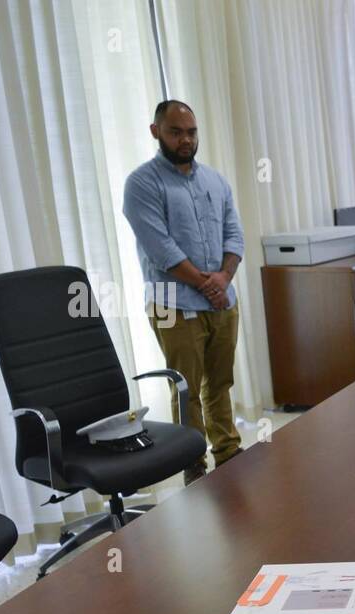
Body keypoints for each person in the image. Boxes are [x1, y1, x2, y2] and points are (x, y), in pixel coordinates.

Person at [122, 99, 244, 485]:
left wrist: (223, 279)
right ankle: (194, 464)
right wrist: (208, 284)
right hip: (172, 304)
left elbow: (234, 233)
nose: (185, 139)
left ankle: (229, 450)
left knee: (220, 382)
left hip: (223, 300)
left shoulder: (215, 180)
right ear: (156, 131)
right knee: (185, 390)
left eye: (191, 132)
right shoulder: (141, 183)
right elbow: (161, 249)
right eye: (175, 132)